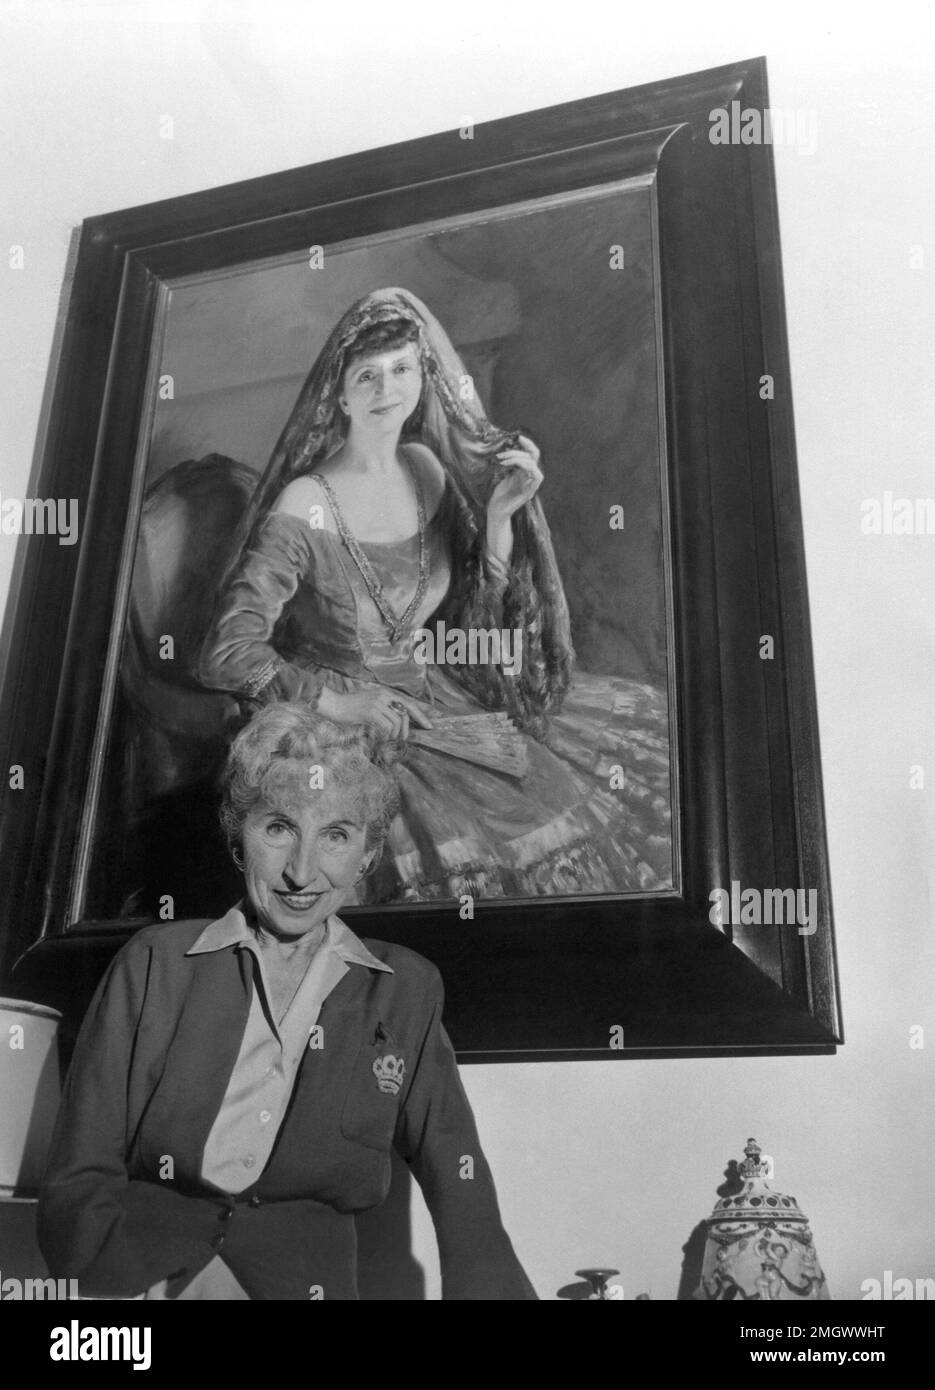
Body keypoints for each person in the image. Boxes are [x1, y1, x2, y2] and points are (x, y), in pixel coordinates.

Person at [37, 703, 536, 1300]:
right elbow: (78, 1168)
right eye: (278, 828)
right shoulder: (155, 962)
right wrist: (111, 1282)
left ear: (368, 855)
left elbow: (458, 1174)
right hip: (143, 1286)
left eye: (335, 836)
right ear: (238, 836)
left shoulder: (403, 989)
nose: (302, 872)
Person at [197, 287, 672, 902]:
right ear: (338, 394)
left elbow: (469, 616)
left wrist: (499, 520)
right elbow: (225, 651)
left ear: (423, 377)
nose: (386, 391)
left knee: (554, 788)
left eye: (401, 370)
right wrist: (337, 705)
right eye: (366, 376)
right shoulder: (305, 504)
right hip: (342, 722)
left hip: (438, 693)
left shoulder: (426, 468)